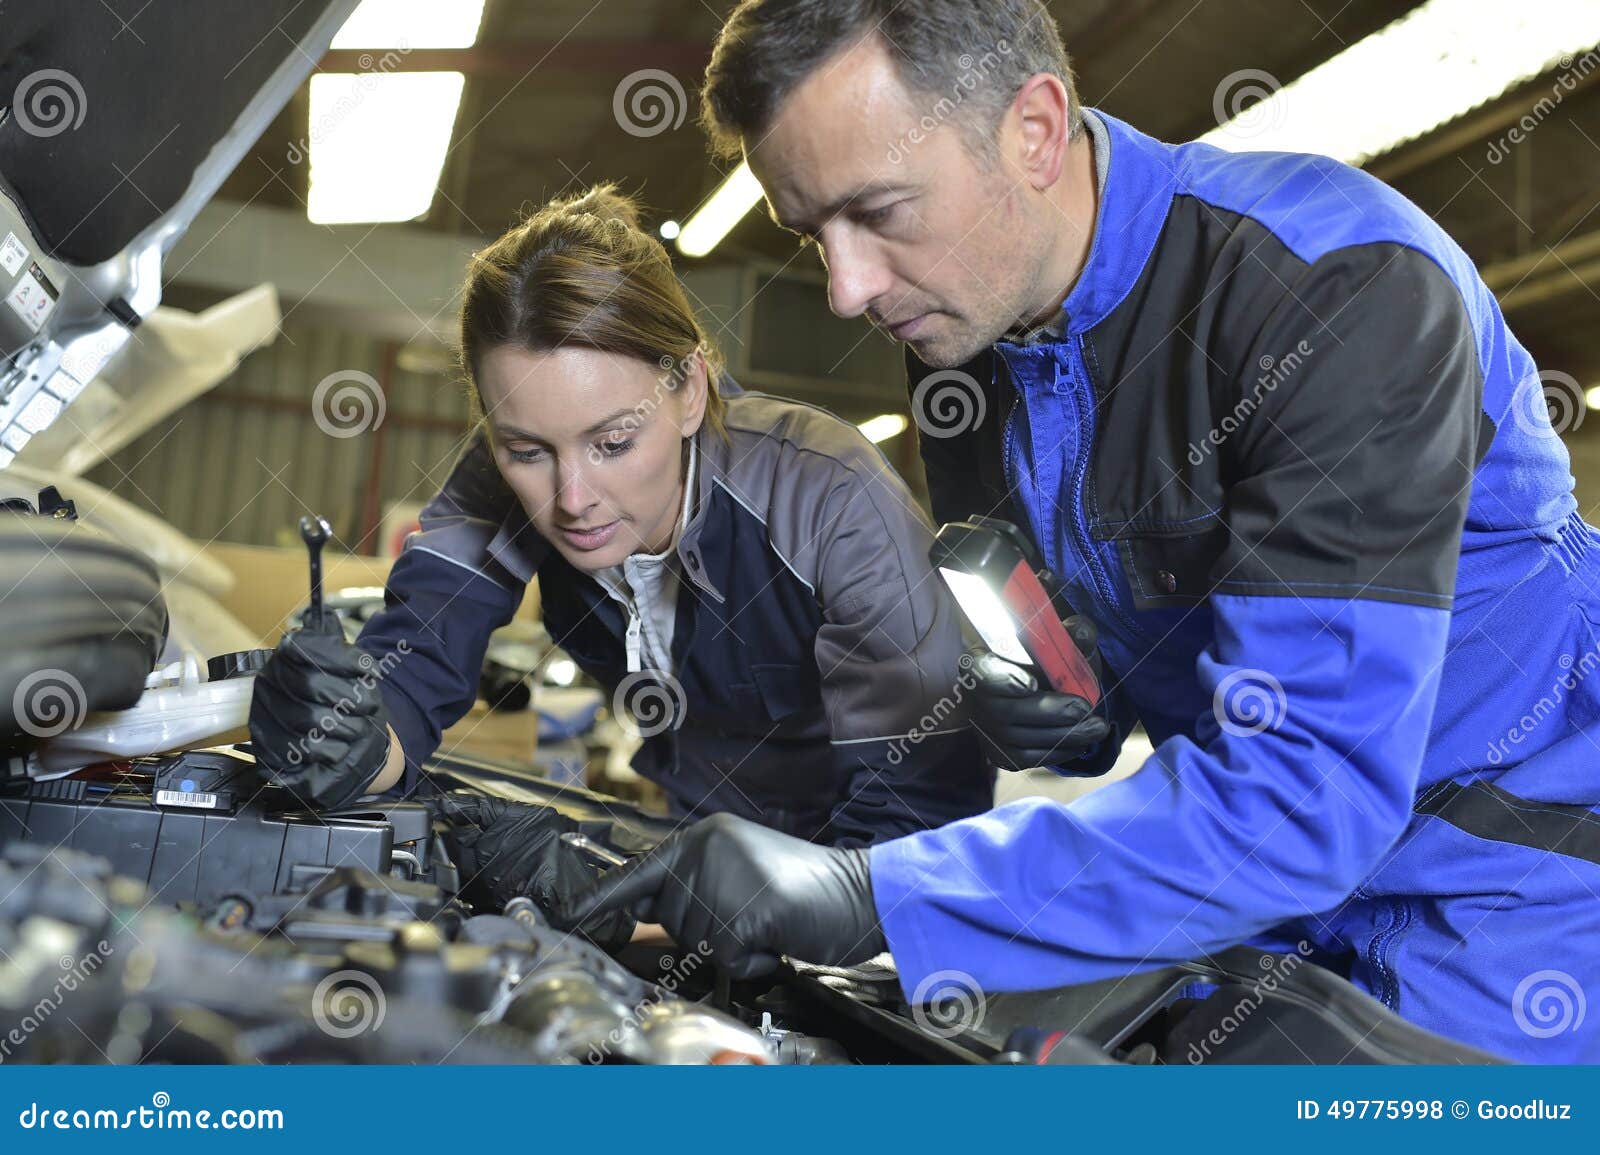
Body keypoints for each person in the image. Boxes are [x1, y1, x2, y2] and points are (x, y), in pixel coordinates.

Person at [563, 0, 1600, 1062]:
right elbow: (1085, 675)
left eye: (876, 212)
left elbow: (1306, 795)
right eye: (811, 233)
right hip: (1241, 875)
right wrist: (1065, 698)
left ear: (1035, 131)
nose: (845, 288)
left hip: (1512, 875)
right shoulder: (963, 333)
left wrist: (874, 892)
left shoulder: (1336, 288)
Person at [246, 183, 992, 887]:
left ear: (690, 389)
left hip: (868, 881)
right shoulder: (499, 477)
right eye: (528, 450)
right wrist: (348, 739)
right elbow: (414, 666)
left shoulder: (827, 495)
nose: (572, 499)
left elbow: (920, 800)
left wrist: (798, 910)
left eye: (613, 442)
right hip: (694, 840)